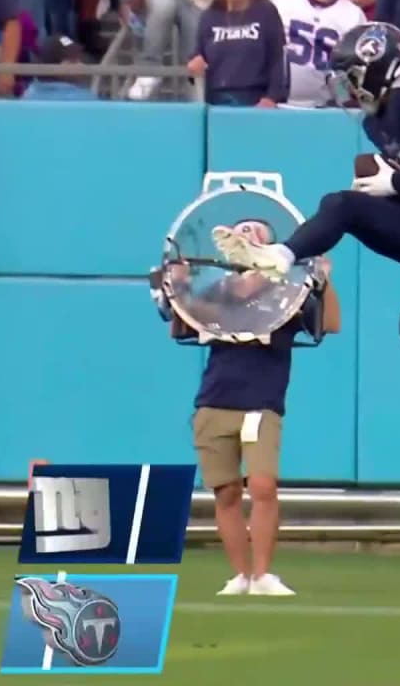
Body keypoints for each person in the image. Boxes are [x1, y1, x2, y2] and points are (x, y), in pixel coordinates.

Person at [209, 22, 400, 419]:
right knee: (341, 204)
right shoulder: (378, 115)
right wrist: (392, 183)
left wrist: (393, 181)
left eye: (354, 78)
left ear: (379, 67)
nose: (349, 88)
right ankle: (280, 255)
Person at [151, 220, 341, 596]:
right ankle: (241, 576)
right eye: (242, 228)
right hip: (215, 400)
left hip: (263, 402)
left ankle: (264, 574)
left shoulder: (288, 294)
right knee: (225, 493)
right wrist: (177, 287)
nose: (249, 234)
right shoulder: (215, 293)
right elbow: (179, 328)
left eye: (257, 229)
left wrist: (324, 280)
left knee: (263, 486)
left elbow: (329, 324)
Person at [266, 0, 365, 109]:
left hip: (324, 111)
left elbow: (349, 75)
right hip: (276, 105)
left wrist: (342, 104)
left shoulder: (355, 16)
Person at [189, 0, 286, 107]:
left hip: (256, 99)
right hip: (216, 100)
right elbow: (198, 54)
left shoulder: (266, 12)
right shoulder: (209, 16)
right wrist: (194, 64)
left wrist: (272, 97)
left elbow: (277, 59)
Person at [21, 33, 96, 100]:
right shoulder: (84, 98)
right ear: (53, 66)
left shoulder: (28, 95)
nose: (81, 65)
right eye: (73, 61)